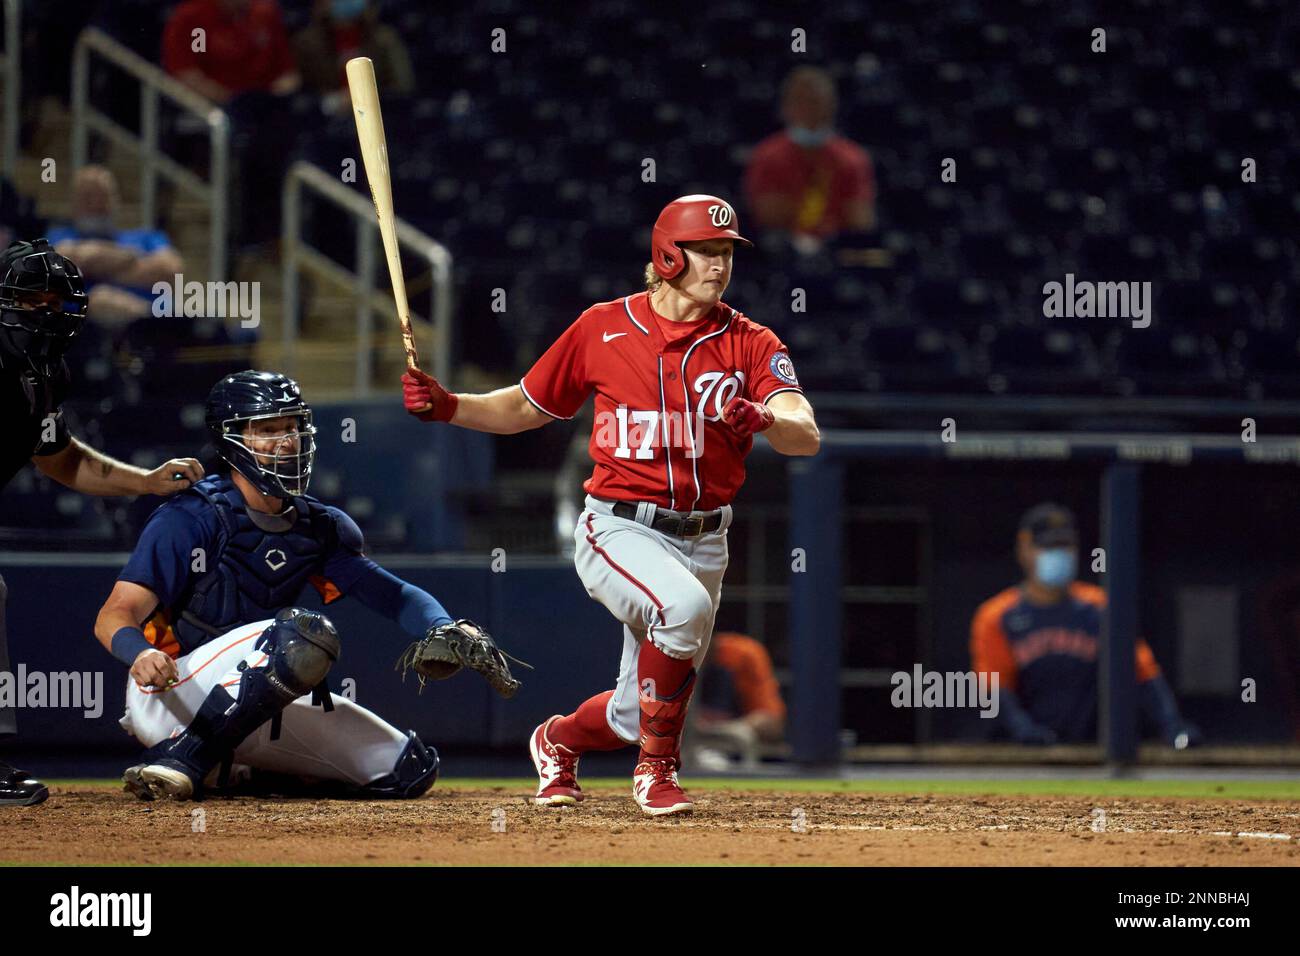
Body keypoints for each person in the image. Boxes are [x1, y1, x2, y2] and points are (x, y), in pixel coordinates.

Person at [402, 195, 821, 815]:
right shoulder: (603, 326)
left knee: (634, 710)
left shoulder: (750, 341)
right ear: (667, 253)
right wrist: (450, 406)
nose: (719, 264)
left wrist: (763, 417)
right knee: (682, 610)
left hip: (706, 537)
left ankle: (558, 740)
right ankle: (657, 771)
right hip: (619, 526)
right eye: (706, 250)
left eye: (727, 252)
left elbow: (804, 432)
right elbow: (524, 407)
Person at [92, 370, 520, 801]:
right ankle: (181, 758)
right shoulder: (191, 515)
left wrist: (441, 625)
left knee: (406, 768)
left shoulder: (319, 525)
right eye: (267, 429)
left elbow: (391, 594)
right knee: (301, 634)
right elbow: (114, 615)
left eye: (292, 427)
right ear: (231, 438)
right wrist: (140, 652)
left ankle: (236, 770)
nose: (286, 441)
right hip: (170, 693)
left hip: (252, 704)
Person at [0, 239, 203, 807]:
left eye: (55, 303)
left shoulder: (42, 376)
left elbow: (61, 458)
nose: (45, 313)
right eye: (31, 300)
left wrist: (145, 480)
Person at [970, 503, 1200, 747]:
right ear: (1024, 548)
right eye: (1048, 547)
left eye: (1065, 546)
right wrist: (1025, 732)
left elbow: (1143, 674)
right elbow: (993, 691)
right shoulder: (996, 615)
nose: (1059, 554)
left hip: (1091, 752)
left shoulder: (1100, 607)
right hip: (1020, 758)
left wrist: (1173, 727)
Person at [744, 66, 876, 243]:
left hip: (837, 249)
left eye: (816, 102)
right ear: (786, 107)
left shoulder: (852, 158)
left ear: (832, 106)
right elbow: (766, 215)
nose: (809, 109)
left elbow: (860, 219)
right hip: (781, 250)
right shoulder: (768, 156)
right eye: (800, 101)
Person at [47, 166, 185, 325]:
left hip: (160, 315)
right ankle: (151, 324)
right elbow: (67, 264)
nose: (97, 204)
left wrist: (96, 269)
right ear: (73, 203)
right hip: (95, 330)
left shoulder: (148, 237)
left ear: (116, 200)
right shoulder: (59, 236)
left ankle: (155, 325)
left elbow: (170, 270)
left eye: (103, 196)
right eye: (88, 196)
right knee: (101, 298)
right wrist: (133, 259)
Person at [689, 630, 786, 769]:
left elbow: (771, 722)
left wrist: (730, 729)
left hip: (729, 751)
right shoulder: (659, 654)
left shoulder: (741, 654)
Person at [293, 0, 414, 111]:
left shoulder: (384, 38)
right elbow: (300, 91)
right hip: (326, 117)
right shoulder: (306, 42)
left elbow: (402, 85)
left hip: (380, 111)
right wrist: (331, 101)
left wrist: (364, 97)